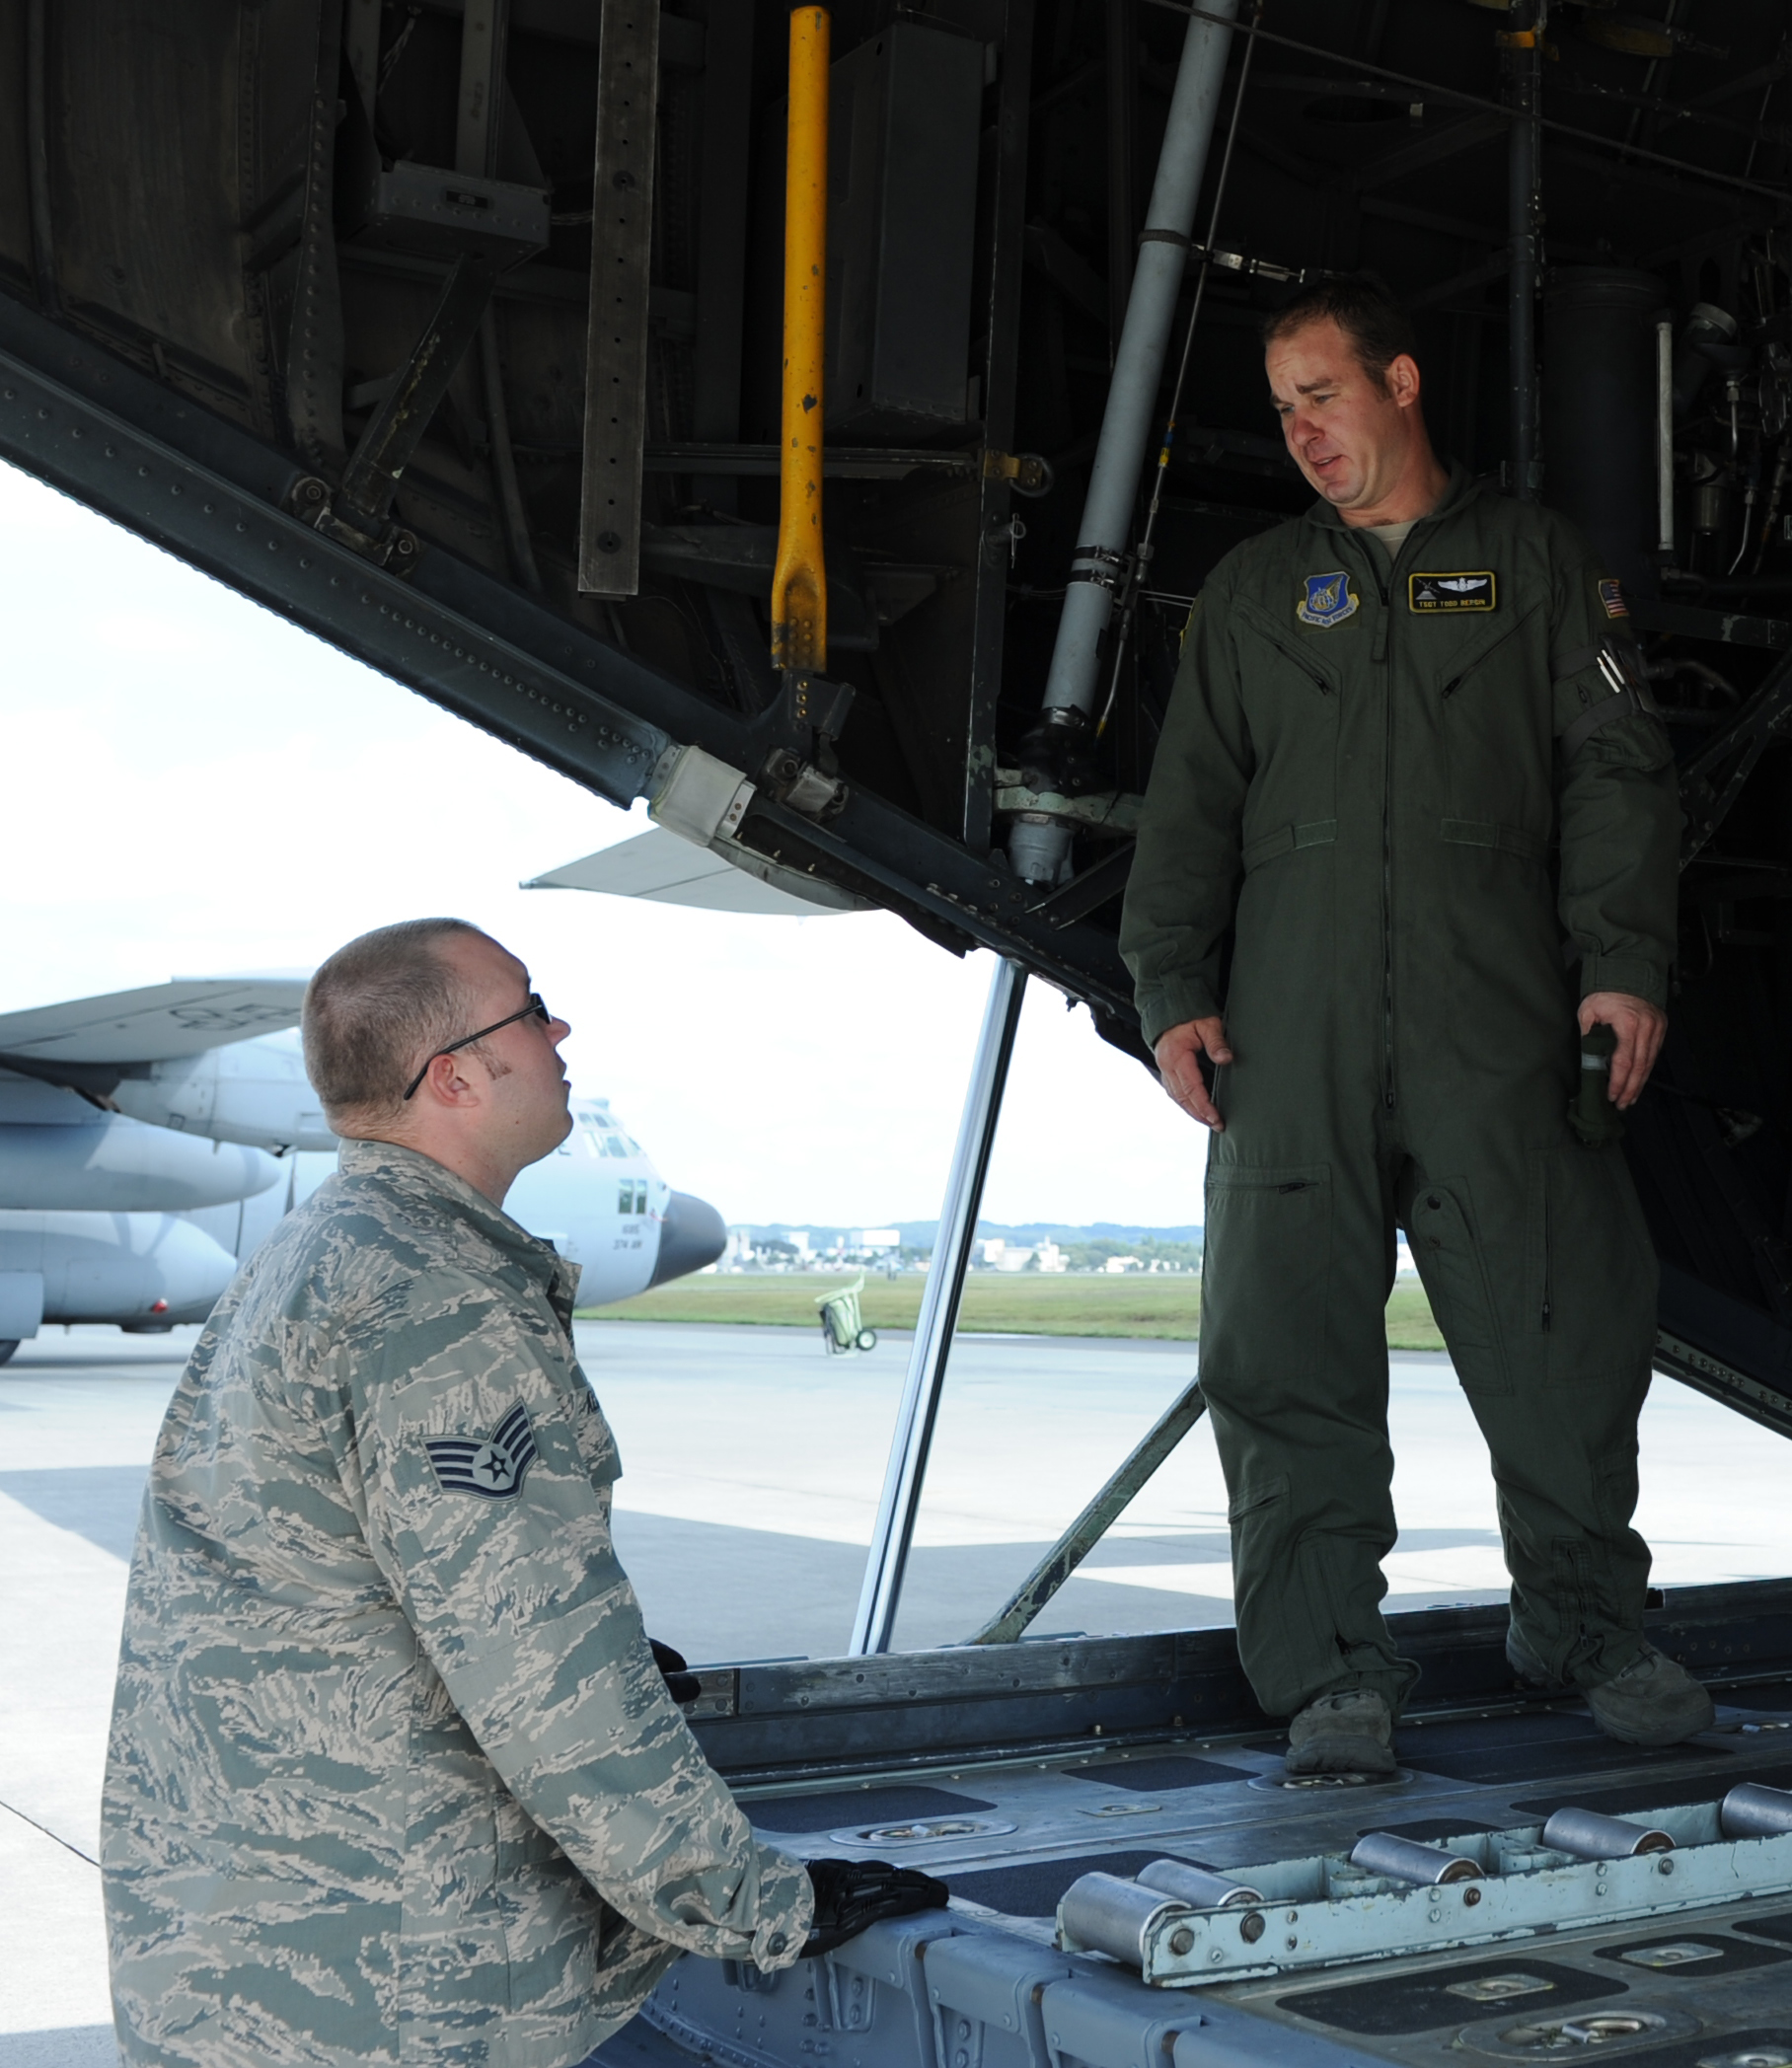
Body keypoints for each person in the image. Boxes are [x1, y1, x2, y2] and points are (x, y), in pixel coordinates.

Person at [102, 919, 942, 2068]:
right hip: (386, 1981)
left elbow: (313, 1574)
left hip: (247, 1943)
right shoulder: (438, 1297)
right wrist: (754, 1898)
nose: (558, 1030)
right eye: (530, 1008)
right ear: (454, 1075)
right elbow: (539, 1668)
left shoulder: (319, 1251)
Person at [1120, 276, 1710, 1778]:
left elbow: (1613, 775)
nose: (1305, 431)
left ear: (1399, 381)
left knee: (1559, 1326)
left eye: (1324, 395)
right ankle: (1330, 1674)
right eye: (1283, 411)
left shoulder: (1532, 566)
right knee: (1285, 1347)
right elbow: (1188, 807)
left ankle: (1581, 1624)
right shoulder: (1257, 593)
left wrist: (1624, 960)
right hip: (1290, 1033)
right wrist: (1172, 986)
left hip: (1496, 1015)